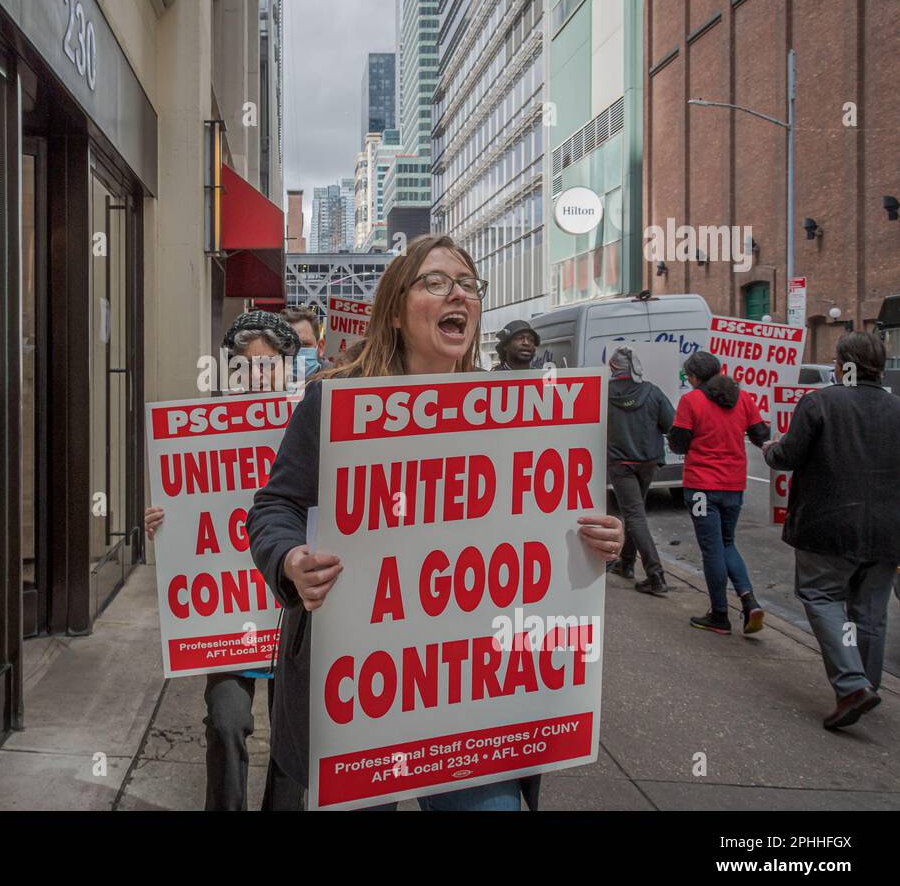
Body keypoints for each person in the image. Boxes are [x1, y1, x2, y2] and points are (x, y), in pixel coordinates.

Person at [246, 234, 625, 811]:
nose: (459, 294)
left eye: (468, 284)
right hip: (359, 691)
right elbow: (276, 507)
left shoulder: (514, 414)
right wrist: (292, 561)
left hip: (472, 695)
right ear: (396, 310)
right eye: (436, 282)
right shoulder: (335, 401)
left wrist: (598, 536)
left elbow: (551, 518)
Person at [144, 309, 301, 810]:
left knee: (291, 735)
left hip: (291, 608)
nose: (258, 375)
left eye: (268, 364)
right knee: (227, 722)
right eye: (246, 365)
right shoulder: (205, 430)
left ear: (286, 367)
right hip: (228, 614)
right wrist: (165, 525)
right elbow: (191, 507)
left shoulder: (309, 422)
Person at [763, 332, 900, 730]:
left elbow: (788, 456)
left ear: (845, 365)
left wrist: (771, 448)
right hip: (888, 532)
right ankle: (864, 685)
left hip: (829, 526)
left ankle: (852, 685)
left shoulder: (819, 402)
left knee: (821, 596)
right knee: (871, 612)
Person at [668, 351, 768, 636]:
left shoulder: (691, 401)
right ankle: (749, 600)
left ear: (695, 377)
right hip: (734, 484)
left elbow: (678, 443)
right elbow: (761, 434)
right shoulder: (743, 397)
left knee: (712, 549)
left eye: (688, 376)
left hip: (702, 485)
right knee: (727, 543)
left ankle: (720, 614)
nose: (687, 381)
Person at [605, 345, 675, 596]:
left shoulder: (604, 393)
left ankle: (655, 575)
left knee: (634, 515)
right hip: (648, 462)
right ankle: (626, 564)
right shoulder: (652, 392)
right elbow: (670, 424)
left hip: (620, 463)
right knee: (636, 513)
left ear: (613, 368)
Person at [282, 305, 324, 380]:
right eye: (288, 345)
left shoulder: (338, 383)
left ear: (320, 347)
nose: (297, 351)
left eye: (305, 345)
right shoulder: (268, 385)